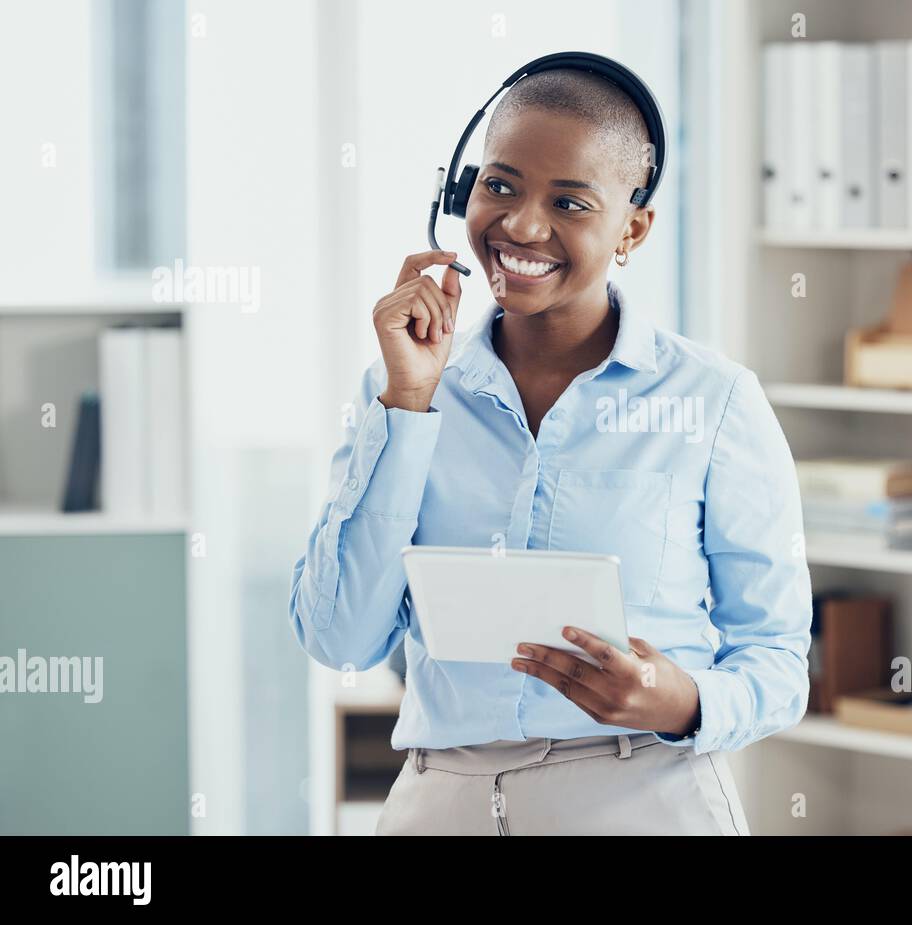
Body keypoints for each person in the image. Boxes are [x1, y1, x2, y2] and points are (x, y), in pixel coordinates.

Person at [289, 64, 812, 835]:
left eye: (569, 202)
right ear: (459, 190)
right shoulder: (401, 385)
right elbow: (340, 637)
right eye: (499, 186)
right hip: (442, 802)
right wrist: (407, 406)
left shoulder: (714, 401)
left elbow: (776, 658)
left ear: (632, 228)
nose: (523, 227)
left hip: (644, 796)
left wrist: (679, 700)